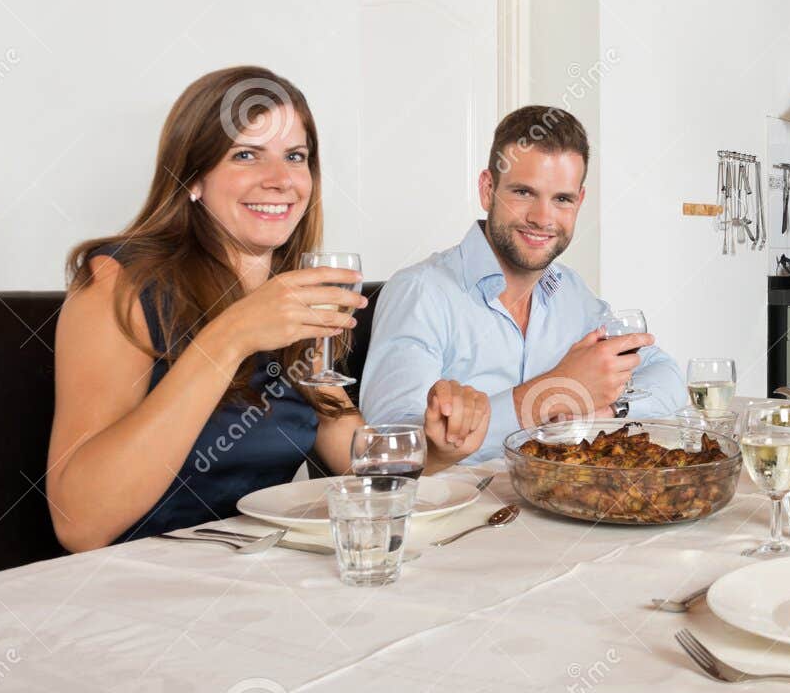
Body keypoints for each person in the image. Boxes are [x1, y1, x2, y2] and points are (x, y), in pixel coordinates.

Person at [47, 67, 491, 551]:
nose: (280, 180)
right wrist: (232, 334)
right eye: (245, 155)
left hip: (257, 573)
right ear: (193, 176)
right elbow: (80, 523)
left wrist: (437, 450)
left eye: (295, 157)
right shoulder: (117, 283)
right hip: (135, 588)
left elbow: (358, 459)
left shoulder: (294, 297)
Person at [360, 106, 686, 462]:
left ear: (579, 202)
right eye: (524, 193)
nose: (542, 218)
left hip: (560, 506)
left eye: (562, 199)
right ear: (488, 189)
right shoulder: (420, 293)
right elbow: (391, 449)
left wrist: (603, 413)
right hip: (459, 514)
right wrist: (552, 394)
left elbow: (667, 375)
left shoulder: (571, 293)